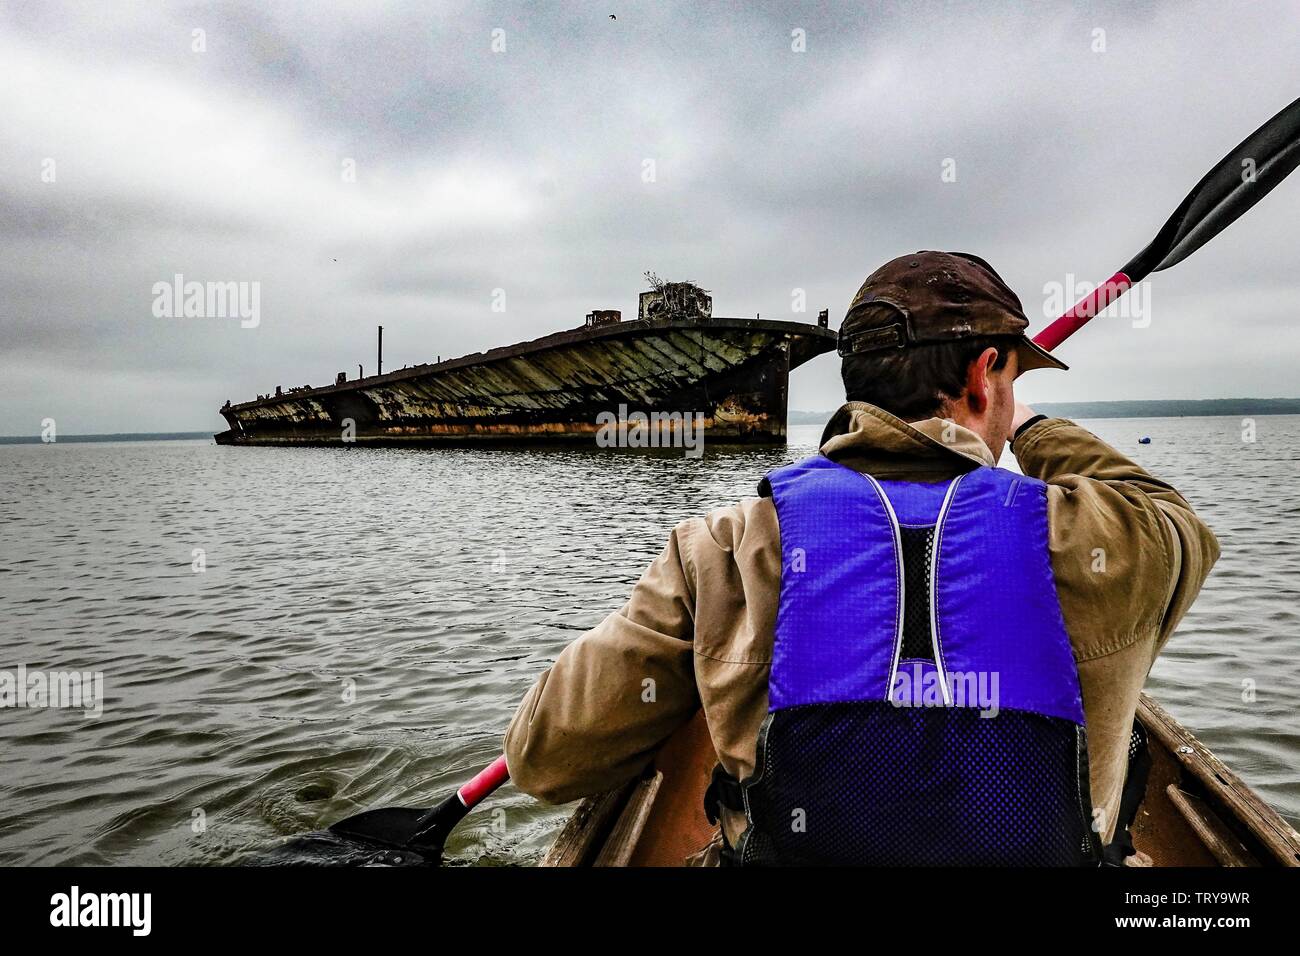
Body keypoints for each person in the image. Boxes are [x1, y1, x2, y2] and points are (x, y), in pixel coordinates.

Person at [503, 251, 1219, 865]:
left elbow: (543, 758)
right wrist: (1025, 421)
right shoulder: (1122, 541)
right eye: (1010, 378)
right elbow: (1167, 511)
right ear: (983, 375)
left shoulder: (722, 546)